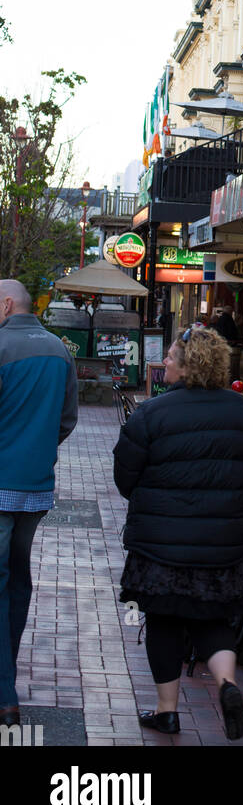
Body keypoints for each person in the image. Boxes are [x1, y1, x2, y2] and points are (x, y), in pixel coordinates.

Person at [113, 325, 243, 739]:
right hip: (221, 543)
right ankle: (227, 684)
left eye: (171, 358)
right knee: (211, 618)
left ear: (187, 365)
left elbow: (126, 475)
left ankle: (167, 711)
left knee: (164, 621)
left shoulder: (151, 414)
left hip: (161, 546)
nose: (165, 364)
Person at [0, 279, 78, 725]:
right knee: (17, 579)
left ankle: (5, 690)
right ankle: (5, 674)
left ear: (8, 304)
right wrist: (39, 447)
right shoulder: (59, 350)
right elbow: (67, 420)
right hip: (35, 487)